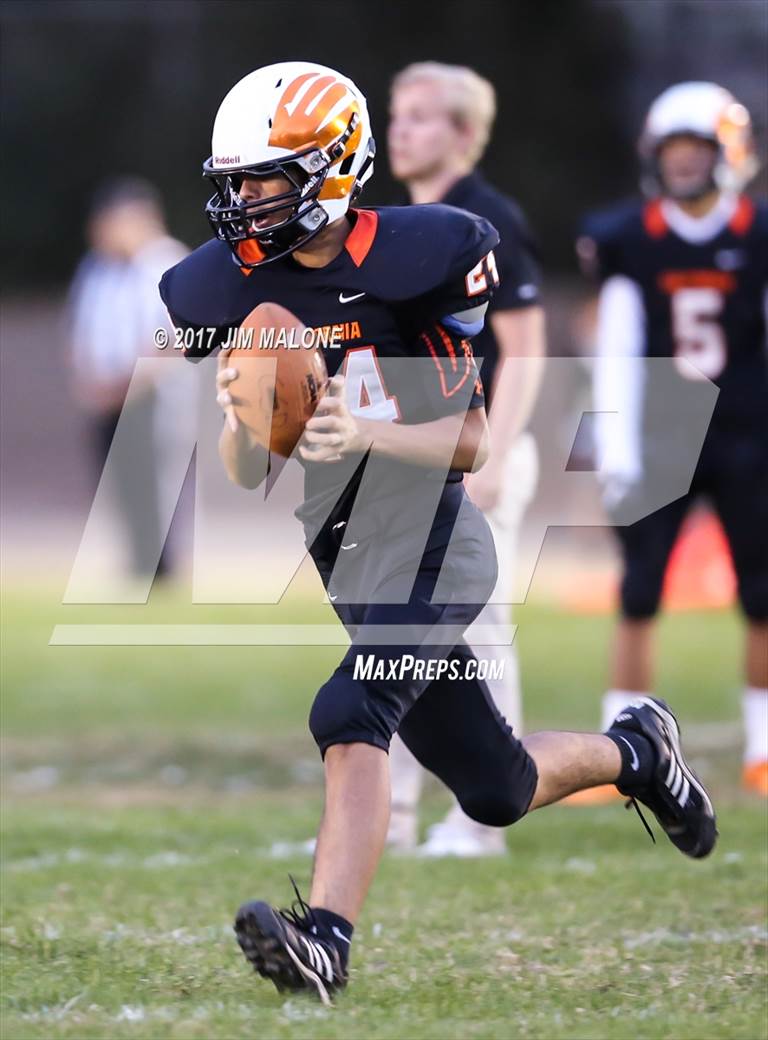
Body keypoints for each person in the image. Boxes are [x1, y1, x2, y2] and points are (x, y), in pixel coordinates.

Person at [160, 61, 717, 1006]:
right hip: (348, 555)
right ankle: (639, 751)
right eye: (237, 182)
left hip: (435, 545)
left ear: (331, 169)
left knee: (350, 712)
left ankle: (324, 944)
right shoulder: (220, 290)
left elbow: (471, 441)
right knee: (495, 786)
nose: (243, 201)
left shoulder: (423, 256)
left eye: (262, 178)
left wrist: (360, 425)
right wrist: (249, 413)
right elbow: (249, 472)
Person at [574, 82, 767, 802]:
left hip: (749, 430)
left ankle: (764, 748)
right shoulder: (629, 238)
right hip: (661, 434)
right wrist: (614, 444)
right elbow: (617, 349)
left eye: (697, 151)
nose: (684, 166)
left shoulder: (757, 230)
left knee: (762, 595)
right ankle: (615, 752)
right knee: (638, 592)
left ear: (730, 153)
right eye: (673, 153)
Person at [386, 62, 545, 855]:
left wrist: (495, 454)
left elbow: (527, 346)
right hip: (413, 456)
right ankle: (390, 817)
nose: (399, 129)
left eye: (419, 116)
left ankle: (483, 821)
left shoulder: (487, 217)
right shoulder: (391, 225)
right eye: (398, 114)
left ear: (461, 131)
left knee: (478, 635)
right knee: (390, 636)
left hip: (473, 455)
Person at [68, 178, 187, 579]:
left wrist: (130, 383)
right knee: (120, 484)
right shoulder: (94, 269)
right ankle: (137, 563)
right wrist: (89, 382)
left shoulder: (168, 264)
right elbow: (80, 331)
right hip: (104, 398)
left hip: (152, 397)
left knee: (155, 482)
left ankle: (163, 570)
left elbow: (175, 338)